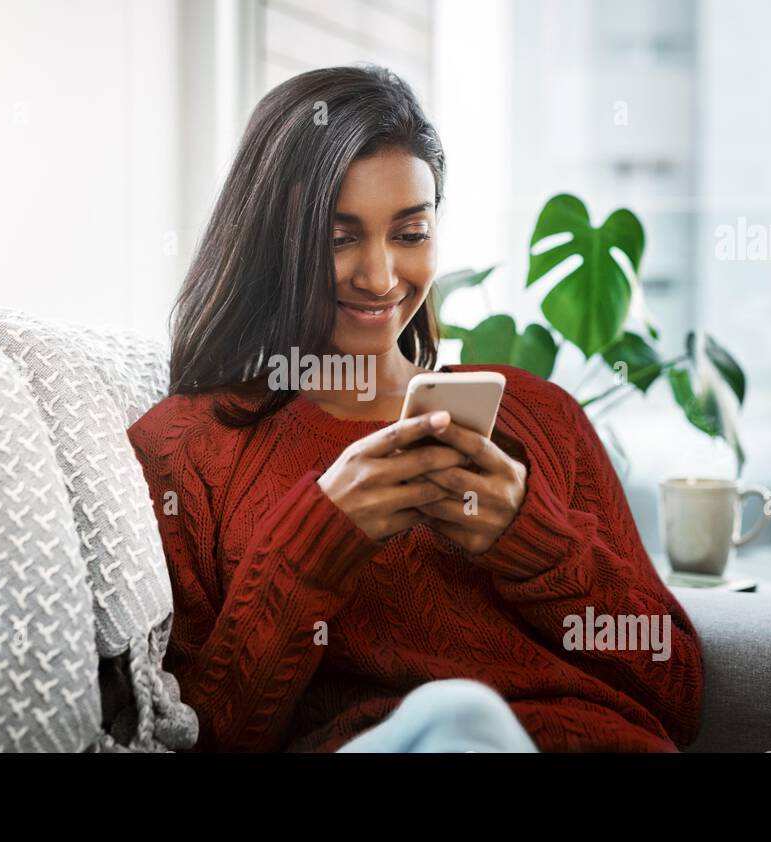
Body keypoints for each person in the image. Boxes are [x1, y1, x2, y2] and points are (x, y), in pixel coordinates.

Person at [127, 64, 704, 753]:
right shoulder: (186, 451)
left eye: (410, 233)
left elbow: (680, 692)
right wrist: (318, 541)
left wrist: (529, 538)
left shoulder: (541, 416)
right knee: (457, 720)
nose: (379, 277)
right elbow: (205, 738)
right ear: (270, 240)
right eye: (339, 238)